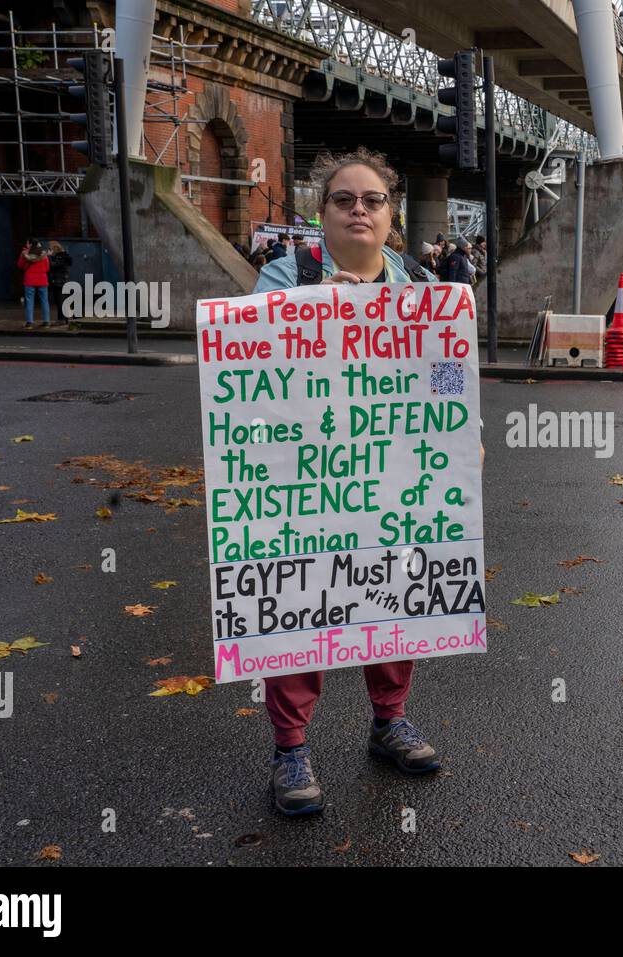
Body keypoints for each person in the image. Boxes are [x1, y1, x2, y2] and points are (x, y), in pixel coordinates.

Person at [251, 146, 467, 818]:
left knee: (395, 597)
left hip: (391, 474)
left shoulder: (418, 293)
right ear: (323, 213)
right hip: (305, 478)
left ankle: (388, 721)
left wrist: (468, 440)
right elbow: (252, 366)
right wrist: (316, 310)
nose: (358, 210)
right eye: (344, 199)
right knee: (301, 607)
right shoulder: (286, 277)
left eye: (372, 200)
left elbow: (445, 378)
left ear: (391, 212)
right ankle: (290, 746)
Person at [16, 239, 51, 329]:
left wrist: (22, 256)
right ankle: (46, 322)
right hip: (42, 280)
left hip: (30, 280)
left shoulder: (25, 254)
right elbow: (47, 268)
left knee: (29, 301)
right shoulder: (44, 254)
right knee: (44, 301)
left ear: (30, 244)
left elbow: (20, 265)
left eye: (27, 243)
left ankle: (29, 323)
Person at [46, 241, 73, 324]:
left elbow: (52, 266)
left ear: (54, 249)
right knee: (62, 301)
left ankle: (62, 319)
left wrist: (49, 256)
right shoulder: (61, 256)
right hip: (61, 281)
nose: (49, 250)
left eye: (50, 248)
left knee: (60, 301)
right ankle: (64, 318)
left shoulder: (60, 257)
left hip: (59, 282)